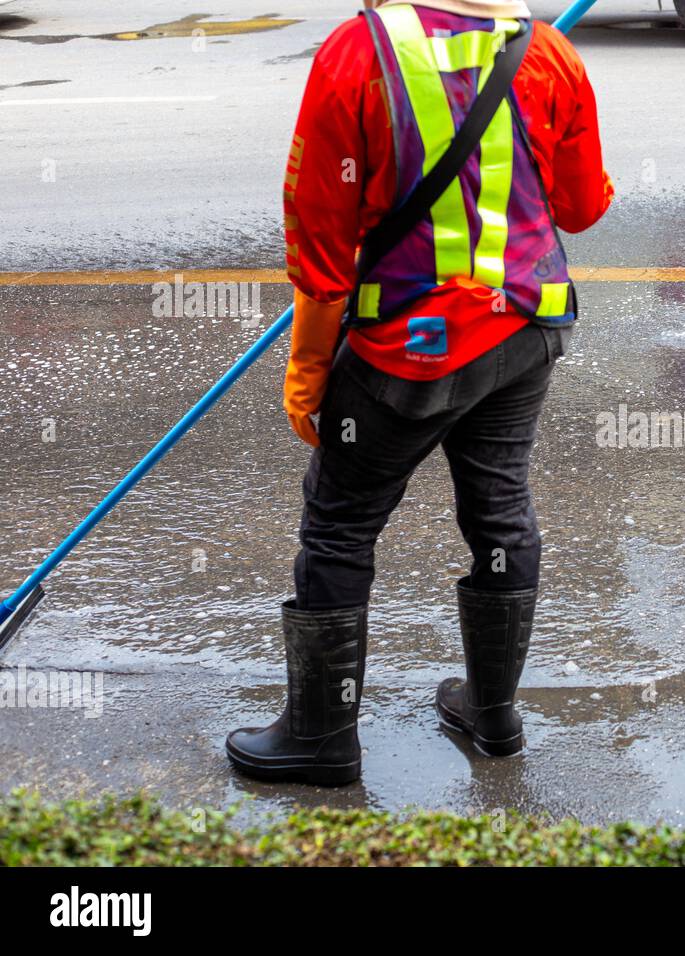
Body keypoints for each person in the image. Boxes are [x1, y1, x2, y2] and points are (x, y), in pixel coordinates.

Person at [225, 0, 613, 785]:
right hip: (523, 331)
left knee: (339, 524)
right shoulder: (549, 53)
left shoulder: (357, 51)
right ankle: (494, 714)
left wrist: (306, 370)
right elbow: (582, 206)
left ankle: (321, 737)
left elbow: (321, 237)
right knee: (501, 508)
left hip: (407, 350)